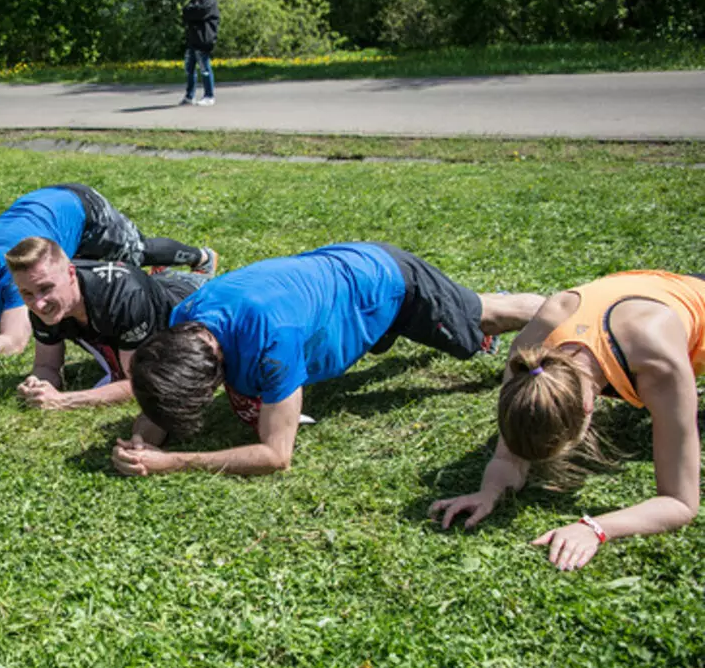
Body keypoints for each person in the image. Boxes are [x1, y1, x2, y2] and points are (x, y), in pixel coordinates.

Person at [113, 242, 544, 477]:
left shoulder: (270, 342)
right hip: (337, 281)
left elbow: (276, 453)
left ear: (212, 380)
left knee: (484, 319)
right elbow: (164, 389)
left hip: (388, 283)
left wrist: (171, 462)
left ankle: (568, 309)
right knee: (472, 326)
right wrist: (142, 438)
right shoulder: (185, 321)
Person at [429, 270, 705, 571]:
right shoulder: (527, 361)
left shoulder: (658, 365)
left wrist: (595, 528)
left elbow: (680, 502)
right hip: (655, 293)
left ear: (589, 408)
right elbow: (508, 459)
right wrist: (488, 491)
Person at [0, 184, 216, 364]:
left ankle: (201, 257)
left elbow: (13, 341)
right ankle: (164, 278)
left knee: (136, 251)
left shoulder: (11, 272)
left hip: (79, 206)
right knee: (88, 274)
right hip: (37, 202)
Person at [7, 236, 214, 410]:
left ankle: (202, 262)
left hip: (189, 298)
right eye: (26, 293)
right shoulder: (41, 301)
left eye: (46, 288)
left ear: (71, 274)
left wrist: (63, 401)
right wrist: (37, 385)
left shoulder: (124, 298)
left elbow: (137, 384)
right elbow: (46, 365)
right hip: (146, 293)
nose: (39, 304)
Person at [181, 0, 220, 107]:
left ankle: (209, 95)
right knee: (189, 68)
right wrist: (190, 11)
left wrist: (191, 11)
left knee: (204, 68)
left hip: (203, 39)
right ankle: (189, 96)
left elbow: (199, 12)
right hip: (193, 39)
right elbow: (186, 11)